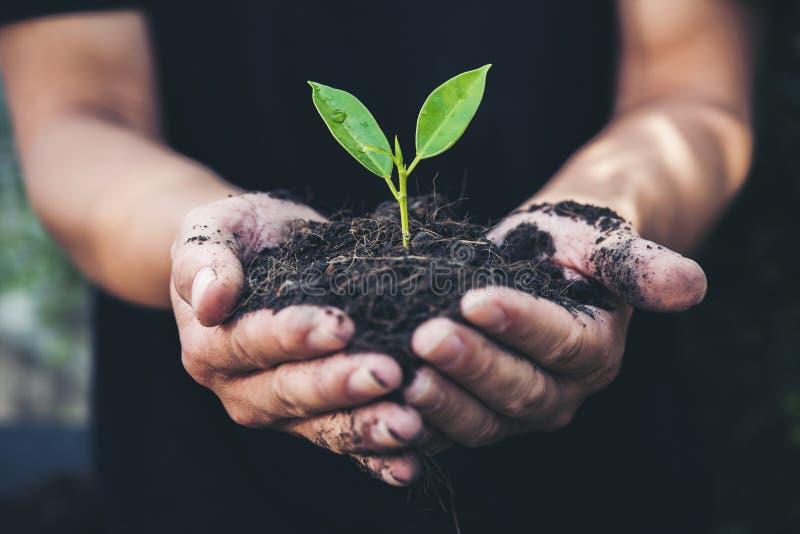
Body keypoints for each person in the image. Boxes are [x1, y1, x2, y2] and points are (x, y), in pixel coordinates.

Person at [0, 1, 757, 532]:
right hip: (205, 479)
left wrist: (603, 213)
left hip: (595, 482)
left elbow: (691, 85)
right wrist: (203, 249)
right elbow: (82, 117)